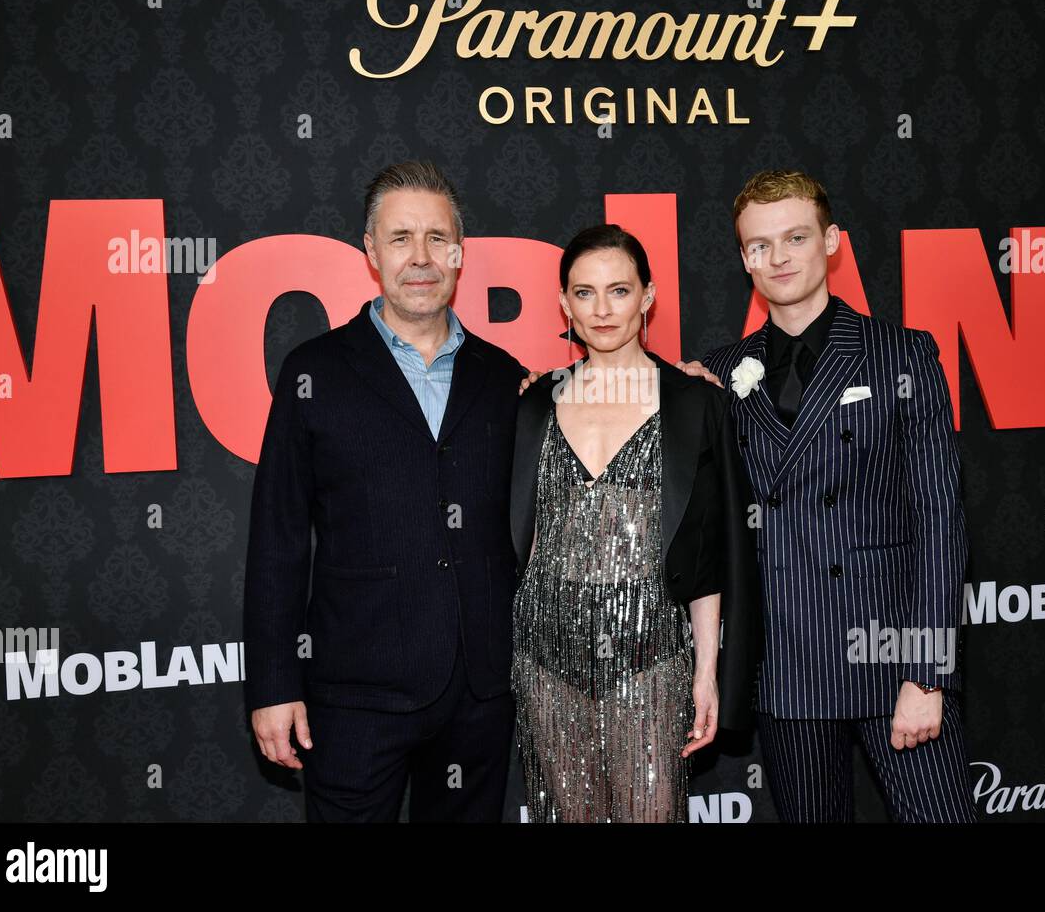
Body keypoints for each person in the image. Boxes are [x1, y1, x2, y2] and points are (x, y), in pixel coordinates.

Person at [244, 160, 534, 821]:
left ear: (459, 254)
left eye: (437, 238)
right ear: (371, 252)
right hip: (353, 696)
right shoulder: (313, 372)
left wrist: (676, 387)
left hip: (479, 692)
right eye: (401, 238)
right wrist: (272, 684)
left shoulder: (504, 378)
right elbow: (277, 538)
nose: (421, 258)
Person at [687, 169, 976, 822]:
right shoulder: (719, 373)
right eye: (759, 245)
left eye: (795, 237)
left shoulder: (901, 355)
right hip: (788, 666)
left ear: (832, 241)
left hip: (892, 656)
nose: (778, 257)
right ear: (742, 258)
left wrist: (927, 675)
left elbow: (941, 521)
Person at [509, 224, 761, 823]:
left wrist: (707, 672)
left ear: (647, 297)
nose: (601, 309)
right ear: (564, 303)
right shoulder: (531, 403)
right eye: (585, 292)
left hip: (652, 661)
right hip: (546, 661)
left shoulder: (696, 402)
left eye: (619, 291)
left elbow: (708, 554)